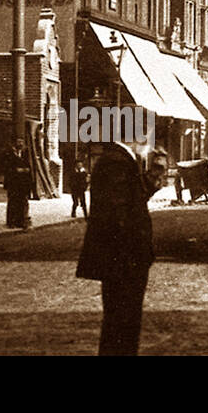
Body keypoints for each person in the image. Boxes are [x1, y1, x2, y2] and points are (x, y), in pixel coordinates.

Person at [76, 142, 169, 355]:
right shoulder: (116, 163)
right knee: (123, 323)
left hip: (121, 260)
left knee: (121, 322)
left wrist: (153, 176)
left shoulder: (118, 161)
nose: (150, 148)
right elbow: (119, 215)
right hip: (124, 261)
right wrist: (135, 255)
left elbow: (130, 201)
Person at [3, 138, 33, 230]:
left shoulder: (25, 154)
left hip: (23, 184)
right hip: (13, 183)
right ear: (15, 143)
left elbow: (29, 167)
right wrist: (16, 170)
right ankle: (11, 222)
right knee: (12, 202)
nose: (20, 144)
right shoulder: (9, 154)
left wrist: (25, 171)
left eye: (22, 142)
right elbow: (6, 168)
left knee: (23, 202)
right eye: (18, 142)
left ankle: (21, 221)